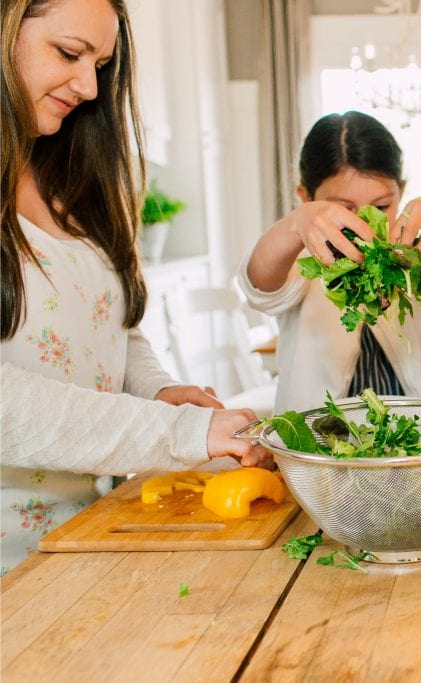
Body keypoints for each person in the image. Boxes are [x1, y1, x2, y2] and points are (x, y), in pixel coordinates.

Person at [1, 0, 268, 574]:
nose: (89, 87)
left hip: (85, 533)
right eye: (69, 53)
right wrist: (178, 430)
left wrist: (156, 389)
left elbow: (111, 326)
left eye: (100, 63)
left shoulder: (68, 172)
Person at [239, 111, 421, 412]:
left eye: (381, 205)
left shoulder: (404, 252)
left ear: (401, 192)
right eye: (341, 208)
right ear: (305, 197)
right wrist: (295, 225)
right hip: (320, 440)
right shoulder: (299, 257)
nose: (365, 223)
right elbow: (260, 289)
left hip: (410, 433)